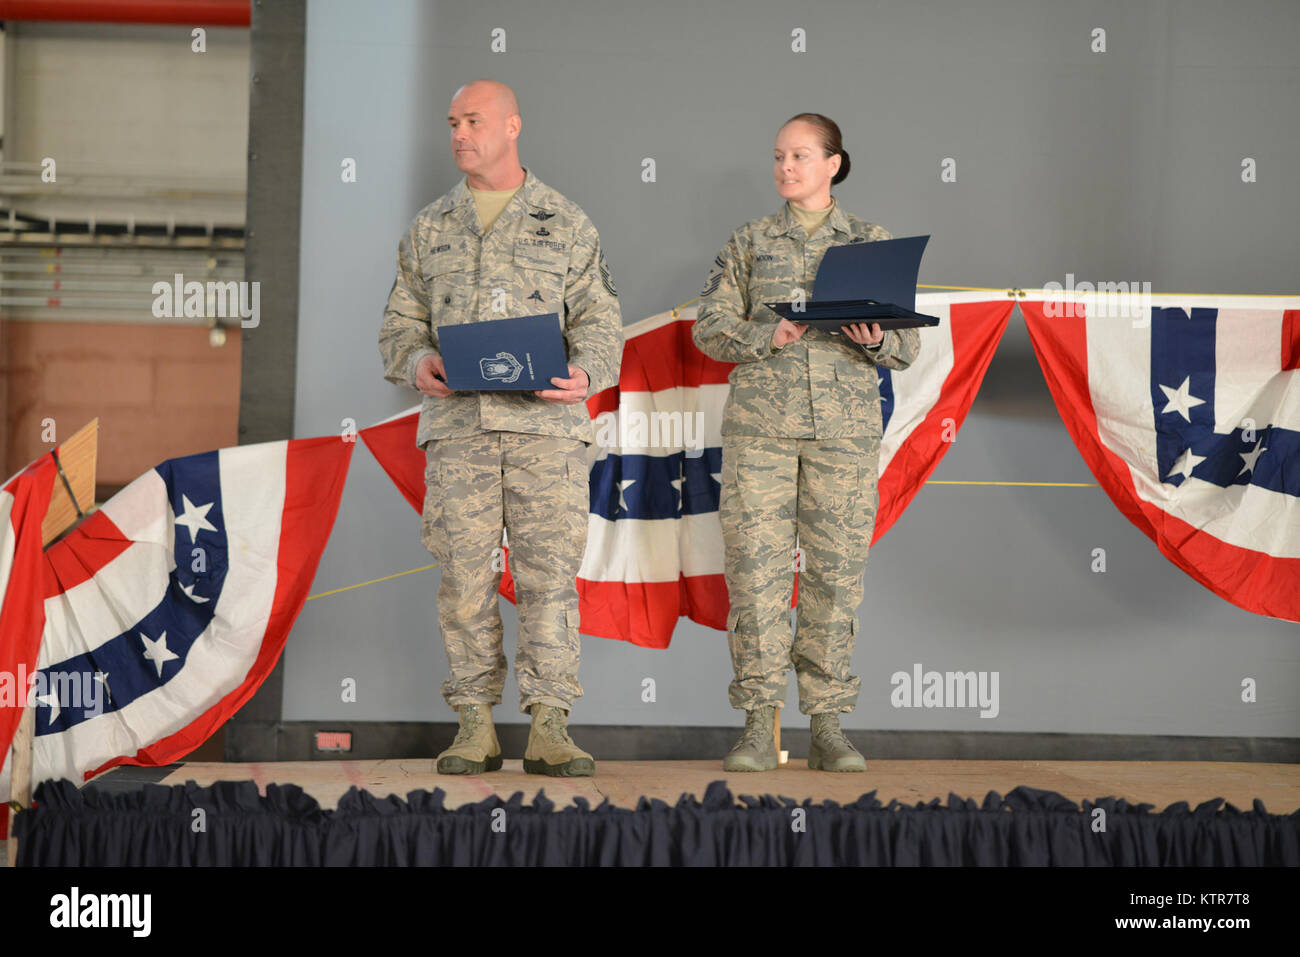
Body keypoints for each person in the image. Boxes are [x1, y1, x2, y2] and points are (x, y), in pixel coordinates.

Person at [378, 80, 623, 777]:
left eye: (474, 120)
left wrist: (586, 372)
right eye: (453, 121)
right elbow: (398, 326)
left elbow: (600, 320)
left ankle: (550, 724)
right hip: (460, 432)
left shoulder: (566, 221)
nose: (459, 133)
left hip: (547, 431)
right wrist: (419, 360)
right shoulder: (431, 226)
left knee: (549, 577)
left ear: (513, 125)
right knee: (463, 581)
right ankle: (475, 724)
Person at [691, 113, 921, 772]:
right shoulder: (749, 241)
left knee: (834, 579)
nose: (786, 168)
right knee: (757, 579)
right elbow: (708, 327)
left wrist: (876, 338)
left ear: (834, 164)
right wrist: (768, 335)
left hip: (843, 436)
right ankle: (759, 727)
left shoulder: (872, 243)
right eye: (778, 157)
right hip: (761, 431)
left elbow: (906, 345)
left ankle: (828, 725)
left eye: (800, 156)